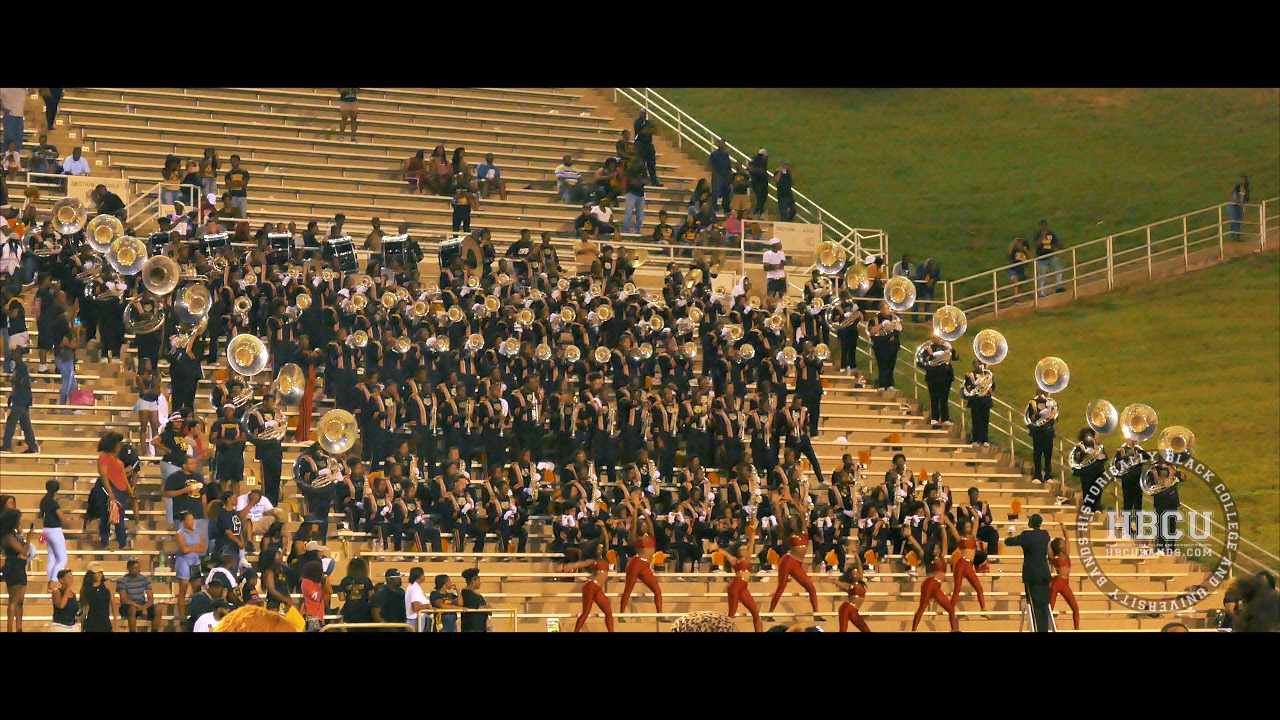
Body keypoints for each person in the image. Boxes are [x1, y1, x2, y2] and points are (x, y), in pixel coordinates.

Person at [707, 519, 762, 632]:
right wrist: (717, 548)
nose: (745, 550)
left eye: (745, 549)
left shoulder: (747, 559)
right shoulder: (735, 560)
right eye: (742, 549)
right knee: (731, 614)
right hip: (736, 585)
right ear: (738, 552)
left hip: (743, 587)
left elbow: (751, 544)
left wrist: (753, 532)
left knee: (755, 612)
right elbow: (726, 554)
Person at [1005, 513, 1053, 632]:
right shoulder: (1045, 535)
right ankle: (1044, 629)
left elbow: (1009, 542)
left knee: (1034, 604)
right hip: (1044, 573)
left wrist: (1010, 532)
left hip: (1032, 574)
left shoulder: (1027, 536)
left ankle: (1039, 630)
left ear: (1031, 523)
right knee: (1043, 604)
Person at [768, 511, 821, 615]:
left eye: (793, 521)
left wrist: (795, 504)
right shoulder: (788, 534)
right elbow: (781, 523)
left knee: (811, 588)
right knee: (781, 587)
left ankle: (816, 613)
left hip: (797, 563)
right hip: (788, 561)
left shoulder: (804, 533)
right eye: (790, 521)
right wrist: (778, 507)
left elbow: (802, 515)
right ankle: (770, 612)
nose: (792, 523)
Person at [910, 524, 959, 631]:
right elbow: (919, 548)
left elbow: (945, 539)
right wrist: (910, 536)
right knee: (922, 608)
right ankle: (913, 630)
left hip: (937, 586)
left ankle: (954, 630)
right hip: (930, 583)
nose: (936, 550)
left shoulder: (943, 558)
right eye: (934, 548)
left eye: (937, 548)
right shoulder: (928, 559)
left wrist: (942, 527)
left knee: (950, 609)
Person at [618, 508, 663, 616]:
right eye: (641, 525)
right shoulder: (636, 537)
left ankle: (660, 615)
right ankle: (621, 614)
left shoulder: (651, 535)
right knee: (628, 589)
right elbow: (633, 528)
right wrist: (635, 513)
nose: (644, 526)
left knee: (657, 590)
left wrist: (640, 508)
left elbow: (648, 519)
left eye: (645, 525)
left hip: (645, 566)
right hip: (636, 563)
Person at [1, 507, 37, 632]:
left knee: (20, 601)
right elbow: (24, 551)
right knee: (13, 600)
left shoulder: (14, 535)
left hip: (19, 567)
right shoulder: (8, 537)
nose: (19, 522)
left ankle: (19, 628)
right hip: (13, 568)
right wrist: (29, 538)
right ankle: (10, 628)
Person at [567, 541, 615, 633]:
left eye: (601, 547)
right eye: (598, 547)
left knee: (608, 612)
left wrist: (604, 529)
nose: (599, 549)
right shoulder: (594, 561)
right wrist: (569, 566)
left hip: (597, 589)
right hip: (591, 586)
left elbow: (607, 543)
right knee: (586, 612)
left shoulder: (607, 561)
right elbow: (582, 564)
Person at [96, 432, 133, 549]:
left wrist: (129, 491)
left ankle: (122, 543)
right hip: (111, 490)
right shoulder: (104, 457)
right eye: (118, 445)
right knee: (107, 517)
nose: (120, 447)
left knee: (119, 518)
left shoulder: (116, 459)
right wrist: (110, 493)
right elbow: (103, 475)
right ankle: (106, 542)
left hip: (121, 491)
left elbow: (121, 476)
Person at [1, 346, 37, 453]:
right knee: (25, 424)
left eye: (15, 353)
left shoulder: (22, 367)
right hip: (21, 399)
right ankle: (32, 446)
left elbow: (21, 382)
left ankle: (7, 445)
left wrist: (12, 380)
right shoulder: (18, 367)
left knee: (11, 422)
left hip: (21, 400)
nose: (12, 355)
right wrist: (11, 397)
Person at [173, 510, 207, 621]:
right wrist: (195, 547)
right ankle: (182, 615)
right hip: (183, 561)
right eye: (189, 519)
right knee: (183, 587)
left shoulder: (197, 533)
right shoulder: (179, 533)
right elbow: (184, 549)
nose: (192, 521)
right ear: (183, 522)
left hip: (195, 562)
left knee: (197, 588)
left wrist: (192, 548)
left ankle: (196, 613)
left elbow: (203, 548)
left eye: (193, 519)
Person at [917, 336, 956, 428]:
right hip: (933, 375)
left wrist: (951, 349)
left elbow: (955, 357)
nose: (939, 339)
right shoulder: (928, 348)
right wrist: (931, 354)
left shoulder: (946, 347)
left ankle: (945, 418)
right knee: (934, 397)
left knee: (944, 398)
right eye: (937, 337)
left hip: (946, 375)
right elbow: (922, 361)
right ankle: (934, 418)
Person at [1048, 521, 1080, 630]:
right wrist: (1048, 540)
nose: (1064, 544)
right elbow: (1049, 551)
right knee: (1050, 607)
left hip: (1065, 583)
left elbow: (1067, 537)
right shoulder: (1055, 558)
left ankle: (1077, 628)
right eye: (1061, 543)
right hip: (1057, 583)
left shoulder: (1067, 555)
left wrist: (1063, 526)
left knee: (1075, 608)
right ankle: (1046, 627)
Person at [39, 480, 69, 584]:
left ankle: (49, 581)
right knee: (62, 559)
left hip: (46, 530)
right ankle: (54, 580)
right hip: (55, 530)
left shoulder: (43, 501)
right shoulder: (53, 503)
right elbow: (63, 518)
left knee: (51, 558)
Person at [833, 551, 871, 633]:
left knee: (865, 629)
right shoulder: (849, 585)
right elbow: (837, 582)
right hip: (847, 607)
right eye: (854, 572)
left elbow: (859, 565)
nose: (856, 573)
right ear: (850, 575)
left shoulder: (860, 582)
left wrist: (856, 555)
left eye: (857, 572)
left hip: (854, 610)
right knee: (843, 630)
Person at [116, 559, 157, 632]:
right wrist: (138, 606)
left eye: (138, 567)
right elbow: (124, 599)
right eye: (135, 568)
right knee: (132, 609)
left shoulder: (145, 579)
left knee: (158, 609)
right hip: (128, 606)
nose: (138, 570)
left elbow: (151, 599)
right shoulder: (122, 581)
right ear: (129, 569)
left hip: (142, 604)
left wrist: (144, 607)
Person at [1025, 391, 1057, 484]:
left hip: (1048, 432)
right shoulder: (1033, 403)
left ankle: (1048, 476)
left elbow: (1055, 418)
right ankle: (1037, 476)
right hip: (1037, 432)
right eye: (1041, 392)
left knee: (1048, 456)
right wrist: (1037, 415)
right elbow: (1030, 417)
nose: (1043, 394)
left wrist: (1051, 414)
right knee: (1037, 455)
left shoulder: (1052, 403)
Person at [962, 360, 994, 446]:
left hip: (985, 400)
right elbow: (967, 388)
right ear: (975, 365)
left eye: (982, 364)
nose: (980, 365)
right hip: (975, 400)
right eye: (979, 363)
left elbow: (992, 388)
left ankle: (984, 439)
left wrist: (987, 387)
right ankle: (975, 439)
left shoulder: (988, 375)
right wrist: (975, 384)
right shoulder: (970, 375)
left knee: (985, 420)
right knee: (975, 420)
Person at [80, 561, 116, 632]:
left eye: (100, 572)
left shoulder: (107, 585)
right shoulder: (85, 589)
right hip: (92, 622)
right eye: (96, 573)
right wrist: (82, 625)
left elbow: (113, 603)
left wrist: (115, 621)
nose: (99, 575)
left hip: (105, 621)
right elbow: (84, 607)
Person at [1033, 220, 1064, 297]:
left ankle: (1058, 286)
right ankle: (1044, 292)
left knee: (1059, 268)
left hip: (1051, 255)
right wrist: (1042, 236)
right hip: (1041, 257)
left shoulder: (1051, 234)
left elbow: (1056, 243)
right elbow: (1036, 245)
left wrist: (1063, 248)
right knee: (1043, 275)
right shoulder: (1037, 234)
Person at [633, 109, 660, 186]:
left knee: (651, 164)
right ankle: (642, 180)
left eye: (644, 113)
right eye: (642, 113)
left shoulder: (648, 123)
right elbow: (641, 131)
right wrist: (648, 128)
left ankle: (654, 181)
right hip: (640, 145)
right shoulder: (638, 122)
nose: (643, 115)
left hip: (648, 145)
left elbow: (654, 131)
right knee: (640, 163)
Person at [460, 567, 490, 632]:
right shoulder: (466, 594)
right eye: (478, 580)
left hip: (481, 628)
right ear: (473, 581)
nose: (480, 582)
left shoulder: (477, 595)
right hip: (471, 628)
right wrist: (486, 607)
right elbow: (474, 607)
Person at [405, 566, 430, 631]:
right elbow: (415, 607)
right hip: (415, 620)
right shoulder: (415, 588)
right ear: (420, 576)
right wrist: (427, 606)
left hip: (416, 620)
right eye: (423, 575)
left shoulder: (413, 587)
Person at [1228, 174, 1250, 241]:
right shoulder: (1236, 186)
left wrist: (1244, 208)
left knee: (1239, 220)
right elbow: (1230, 193)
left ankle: (1237, 235)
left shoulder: (1246, 189)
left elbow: (1244, 200)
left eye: (1243, 180)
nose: (1242, 181)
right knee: (1234, 219)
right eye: (1241, 179)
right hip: (1233, 205)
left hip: (1239, 205)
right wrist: (1232, 200)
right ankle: (1233, 235)